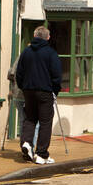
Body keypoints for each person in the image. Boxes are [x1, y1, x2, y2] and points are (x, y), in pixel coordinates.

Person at [14, 25, 62, 164]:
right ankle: (41, 154)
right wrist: (55, 90)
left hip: (28, 91)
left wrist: (24, 87)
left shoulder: (26, 52)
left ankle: (27, 144)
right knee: (45, 122)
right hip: (45, 91)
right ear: (48, 37)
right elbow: (56, 75)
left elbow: (19, 73)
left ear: (34, 36)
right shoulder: (51, 53)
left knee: (30, 118)